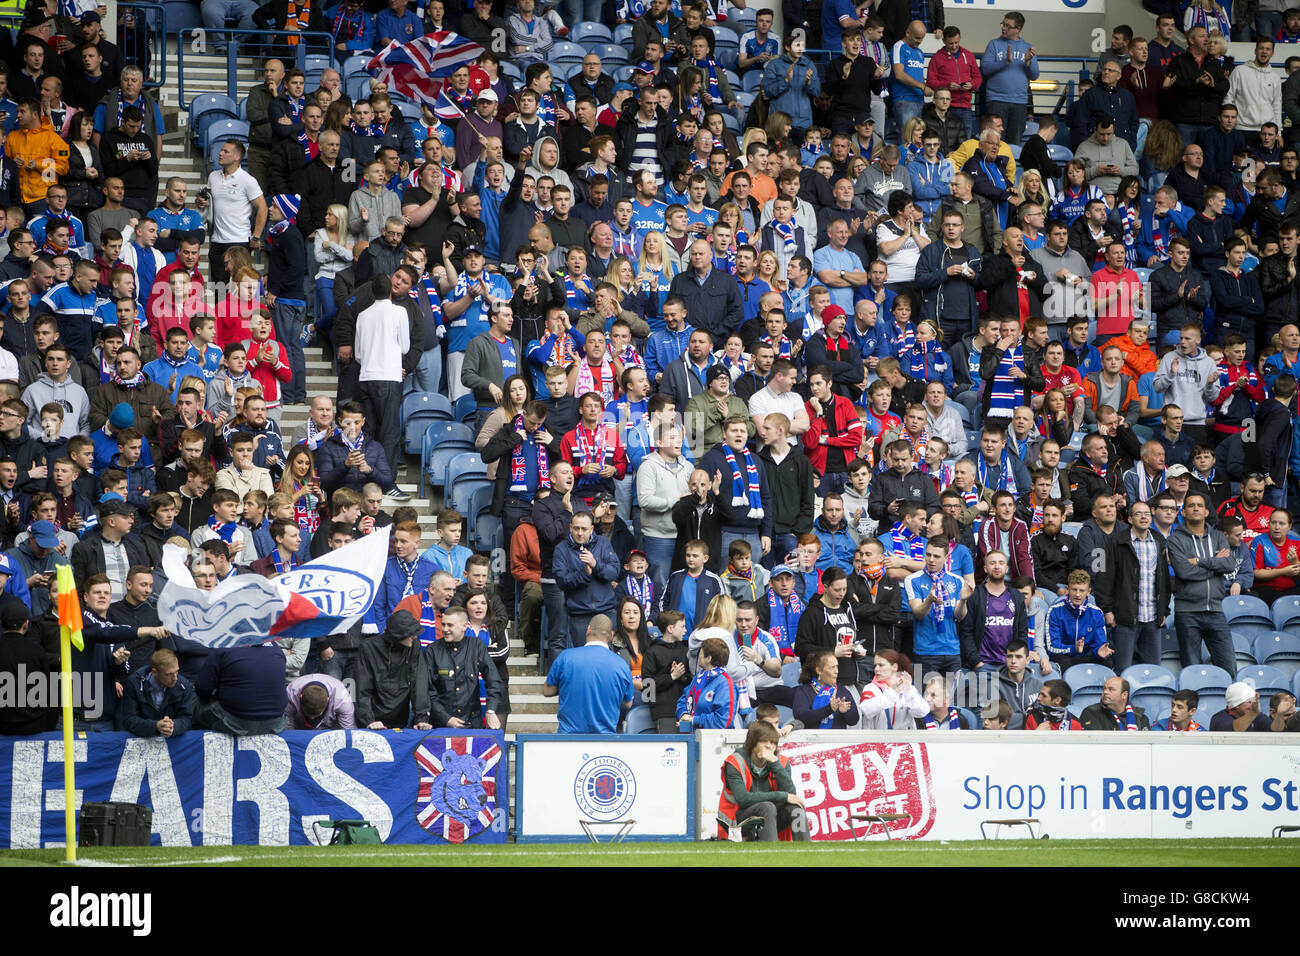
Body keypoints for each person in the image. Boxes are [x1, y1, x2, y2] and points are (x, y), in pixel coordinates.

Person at [1166, 491, 1237, 673]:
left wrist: (1199, 561)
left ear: (1206, 512)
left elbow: (1229, 564)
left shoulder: (1219, 537)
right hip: (1187, 613)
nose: (1195, 508)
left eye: (1199, 505)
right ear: (1183, 512)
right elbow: (1183, 571)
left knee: (1228, 667)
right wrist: (1215, 565)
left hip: (1215, 611)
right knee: (1192, 670)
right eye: (1191, 505)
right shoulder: (1175, 540)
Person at [543, 612, 635, 734]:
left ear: (588, 630)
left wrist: (568, 686)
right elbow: (628, 703)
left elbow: (547, 691)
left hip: (567, 740)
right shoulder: (622, 665)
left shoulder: (565, 657)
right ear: (611, 636)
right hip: (604, 742)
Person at [424, 604, 503, 730]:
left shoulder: (476, 646)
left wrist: (491, 710)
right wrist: (446, 718)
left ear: (464, 626)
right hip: (441, 726)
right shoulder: (431, 651)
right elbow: (427, 690)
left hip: (472, 724)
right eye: (443, 624)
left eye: (450, 625)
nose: (445, 629)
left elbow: (494, 680)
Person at [858, 648, 929, 729]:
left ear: (894, 667)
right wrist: (892, 691)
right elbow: (866, 710)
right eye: (875, 665)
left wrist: (908, 692)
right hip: (877, 740)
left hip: (904, 740)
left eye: (881, 665)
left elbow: (922, 711)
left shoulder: (908, 688)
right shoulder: (871, 688)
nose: (876, 669)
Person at [792, 648, 860, 729]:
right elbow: (801, 717)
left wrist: (844, 712)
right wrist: (829, 709)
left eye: (837, 667)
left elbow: (854, 721)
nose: (837, 671)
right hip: (811, 740)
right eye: (832, 667)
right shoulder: (803, 691)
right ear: (819, 671)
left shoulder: (842, 691)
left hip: (836, 740)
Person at [284, 673, 355, 730]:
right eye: (309, 714)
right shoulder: (291, 693)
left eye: (316, 715)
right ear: (301, 697)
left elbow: (348, 731)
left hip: (331, 729)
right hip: (300, 727)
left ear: (328, 699)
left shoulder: (342, 699)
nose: (312, 718)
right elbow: (288, 729)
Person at [1079, 675, 1151, 730]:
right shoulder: (1091, 713)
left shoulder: (1140, 717)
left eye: (1111, 689)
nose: (1105, 692)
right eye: (1104, 689)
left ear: (1124, 695)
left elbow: (1147, 744)